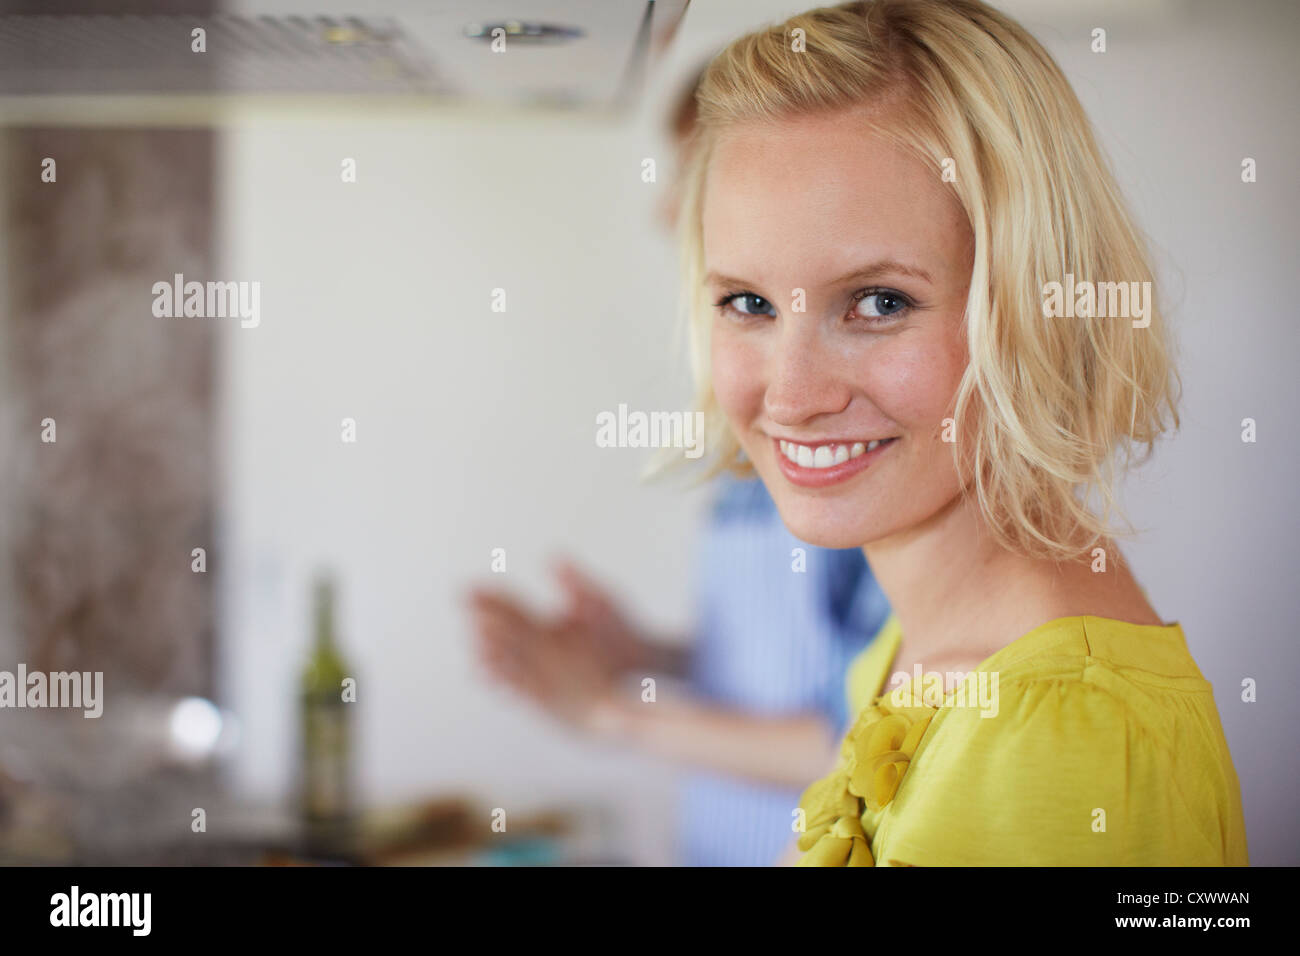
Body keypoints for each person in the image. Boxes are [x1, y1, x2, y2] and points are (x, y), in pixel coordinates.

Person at [675, 0, 1248, 865]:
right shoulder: (910, 651)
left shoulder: (1059, 731)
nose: (790, 397)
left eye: (879, 303)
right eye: (747, 303)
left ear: (1034, 309)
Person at [466, 70, 891, 867]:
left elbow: (867, 742)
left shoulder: (862, 437)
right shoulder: (756, 422)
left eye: (689, 176)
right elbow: (797, 663)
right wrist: (647, 658)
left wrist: (611, 712)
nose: (664, 212)